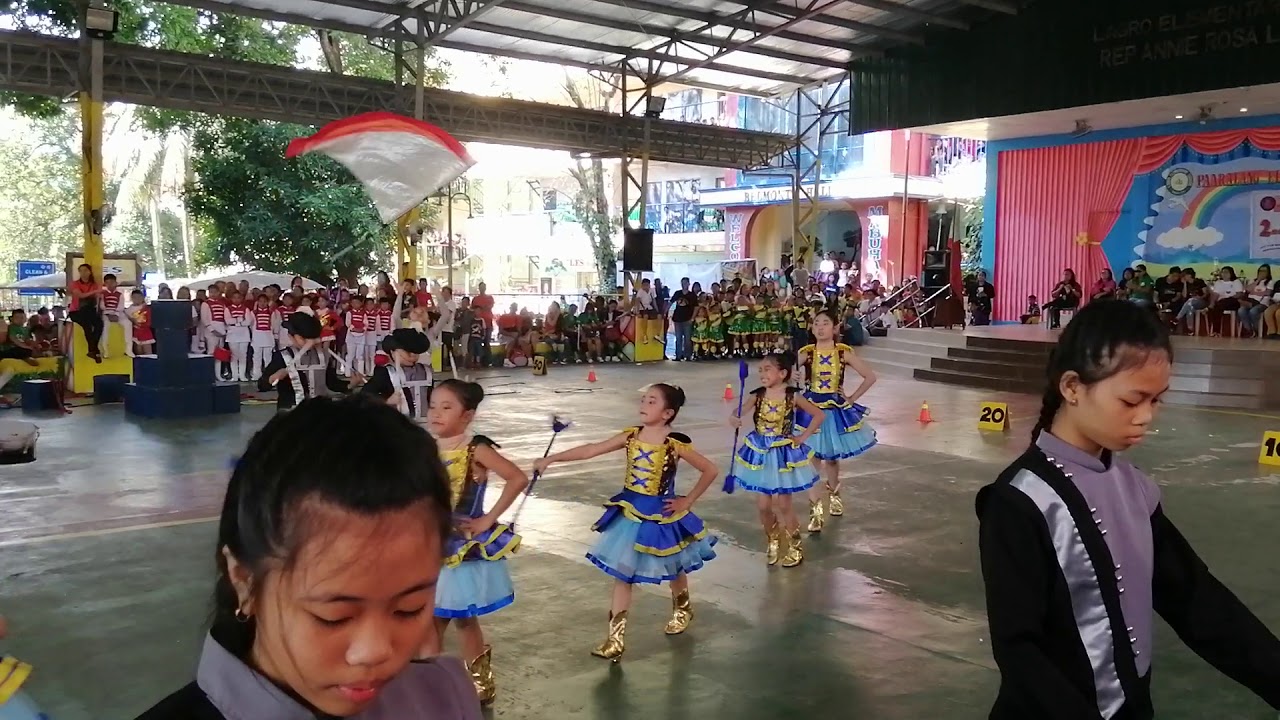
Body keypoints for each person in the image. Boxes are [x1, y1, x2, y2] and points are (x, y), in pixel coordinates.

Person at [976, 299, 1280, 719]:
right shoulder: (1021, 500)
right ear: (1072, 387)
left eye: (1157, 401)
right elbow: (1018, 651)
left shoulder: (1133, 486)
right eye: (1131, 401)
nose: (1146, 417)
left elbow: (1196, 600)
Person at [136, 396, 484, 719]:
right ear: (244, 580)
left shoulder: (446, 698)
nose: (375, 652)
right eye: (333, 617)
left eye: (410, 609)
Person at [532, 384, 719, 662]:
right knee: (623, 574)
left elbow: (710, 469)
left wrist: (687, 501)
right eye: (643, 399)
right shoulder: (631, 435)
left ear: (668, 413)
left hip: (662, 513)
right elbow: (591, 450)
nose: (643, 404)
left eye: (652, 401)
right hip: (630, 511)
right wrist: (552, 458)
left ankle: (683, 607)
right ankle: (615, 639)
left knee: (675, 565)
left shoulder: (675, 443)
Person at [421, 379, 529, 705]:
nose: (436, 413)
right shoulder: (426, 447)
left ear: (467, 415)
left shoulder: (475, 448)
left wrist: (487, 518)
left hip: (460, 545)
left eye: (446, 407)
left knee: (460, 618)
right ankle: (435, 681)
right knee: (435, 617)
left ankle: (477, 680)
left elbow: (517, 477)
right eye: (432, 406)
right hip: (430, 543)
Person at [724, 352, 825, 567]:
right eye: (760, 369)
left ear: (783, 373)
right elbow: (740, 410)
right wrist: (735, 416)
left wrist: (802, 437)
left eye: (767, 369)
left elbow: (819, 415)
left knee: (784, 504)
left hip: (783, 455)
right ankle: (772, 537)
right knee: (762, 506)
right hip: (760, 453)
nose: (762, 373)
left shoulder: (793, 396)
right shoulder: (758, 394)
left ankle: (795, 546)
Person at [796, 310, 878, 533]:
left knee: (831, 458)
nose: (820, 327)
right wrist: (793, 379)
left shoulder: (843, 352)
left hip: (834, 410)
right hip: (811, 410)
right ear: (812, 328)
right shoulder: (806, 353)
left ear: (835, 328)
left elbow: (870, 376)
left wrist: (851, 398)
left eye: (825, 323)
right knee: (811, 458)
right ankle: (815, 510)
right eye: (816, 323)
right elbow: (783, 370)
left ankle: (834, 493)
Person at [258, 313, 348, 412]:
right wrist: (272, 378)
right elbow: (262, 385)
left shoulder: (323, 355)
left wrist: (351, 384)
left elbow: (331, 383)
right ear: (291, 337)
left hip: (321, 411)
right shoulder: (283, 356)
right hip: (292, 413)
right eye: (302, 339)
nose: (307, 343)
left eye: (310, 339)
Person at [364, 328, 431, 418]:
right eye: (407, 351)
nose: (412, 356)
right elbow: (365, 396)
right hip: (396, 424)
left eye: (415, 352)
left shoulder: (425, 371)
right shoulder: (385, 373)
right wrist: (386, 401)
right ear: (393, 351)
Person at [67, 263, 104, 363]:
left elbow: (97, 300)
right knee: (87, 325)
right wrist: (95, 292)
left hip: (89, 311)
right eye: (81, 271)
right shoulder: (75, 284)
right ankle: (94, 350)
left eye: (86, 270)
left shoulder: (93, 284)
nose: (83, 273)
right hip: (76, 311)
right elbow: (80, 296)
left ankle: (92, 349)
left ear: (90, 272)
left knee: (99, 324)